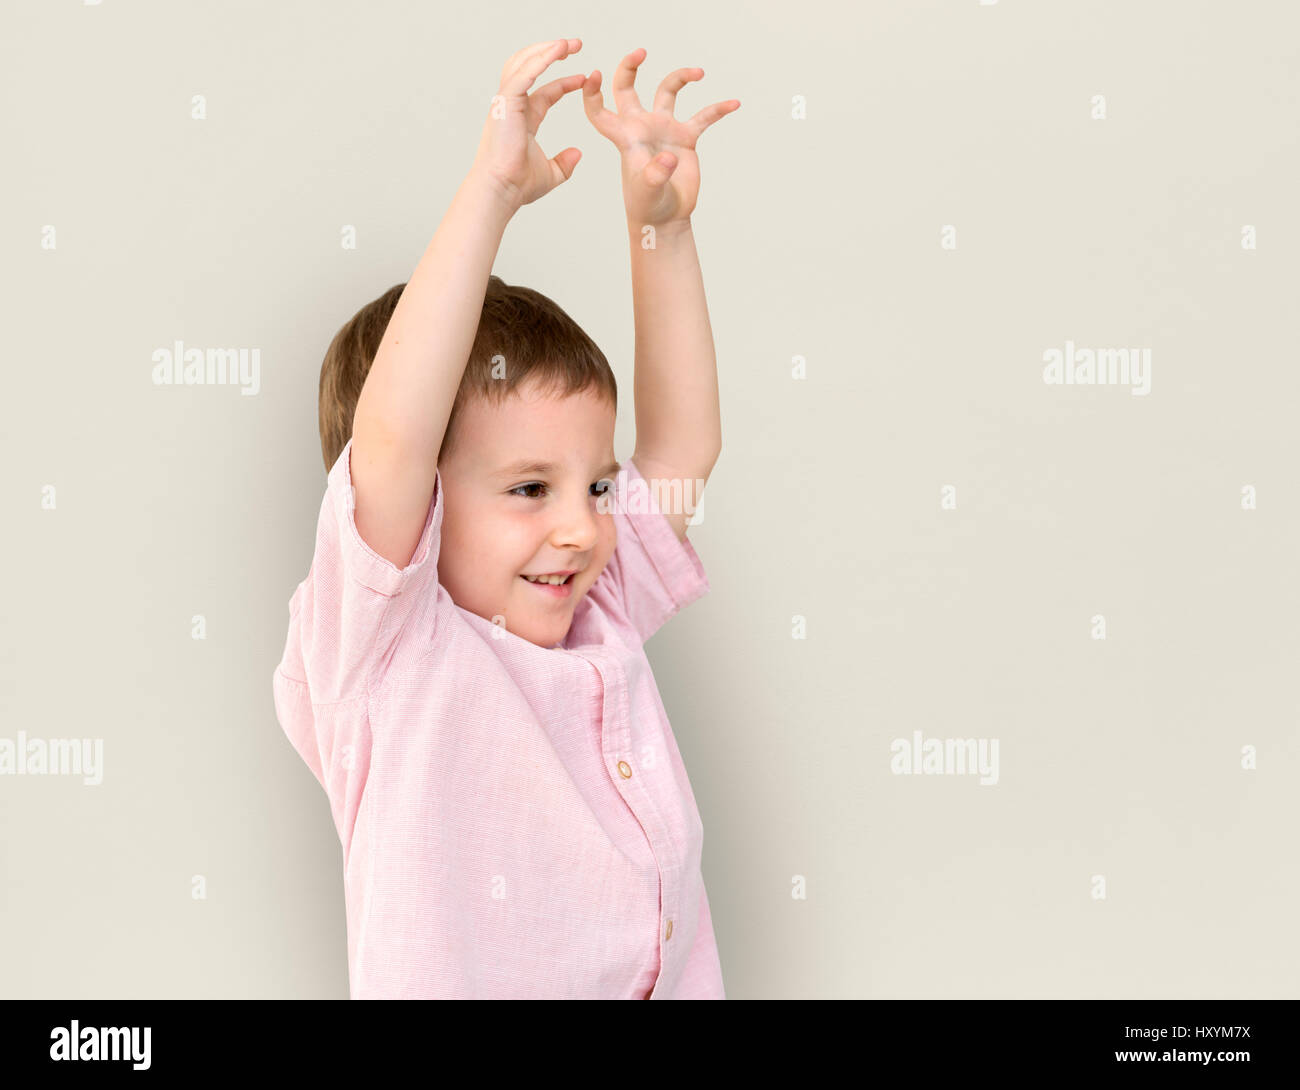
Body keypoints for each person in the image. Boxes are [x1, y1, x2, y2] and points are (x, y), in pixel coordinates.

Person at [272, 38, 739, 998]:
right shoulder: (385, 653)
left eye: (596, 486)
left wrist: (661, 230)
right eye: (530, 488)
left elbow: (686, 449)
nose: (581, 528)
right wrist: (492, 190)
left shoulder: (597, 607)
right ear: (428, 507)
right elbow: (395, 443)